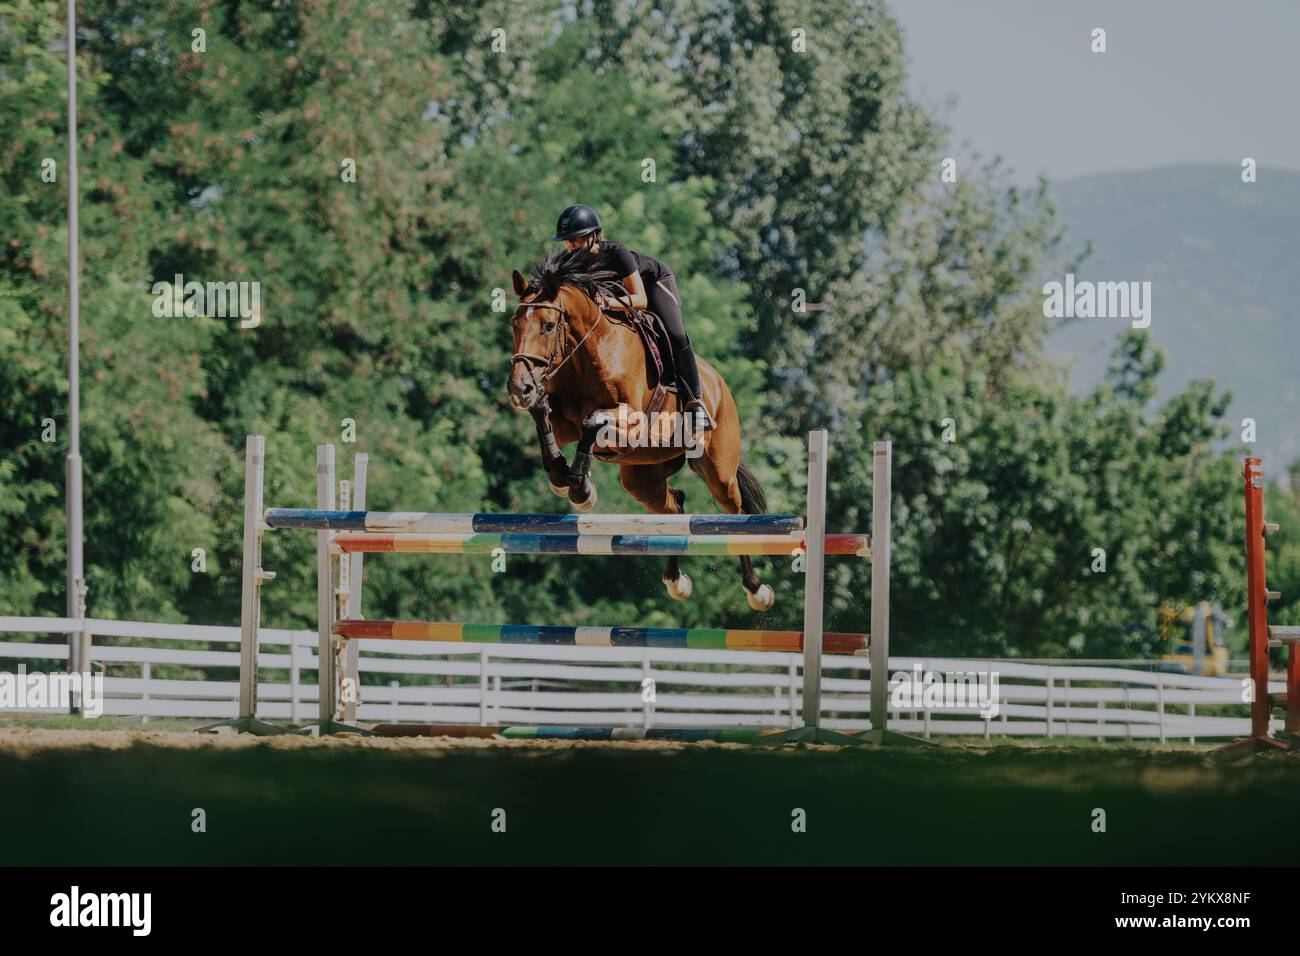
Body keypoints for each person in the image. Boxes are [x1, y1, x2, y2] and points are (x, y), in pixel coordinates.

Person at [551, 204, 714, 431]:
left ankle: (695, 403)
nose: (570, 245)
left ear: (593, 236)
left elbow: (640, 300)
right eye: (566, 240)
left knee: (675, 333)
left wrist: (607, 303)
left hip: (652, 286)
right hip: (618, 297)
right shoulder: (569, 261)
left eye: (575, 239)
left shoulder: (616, 253)